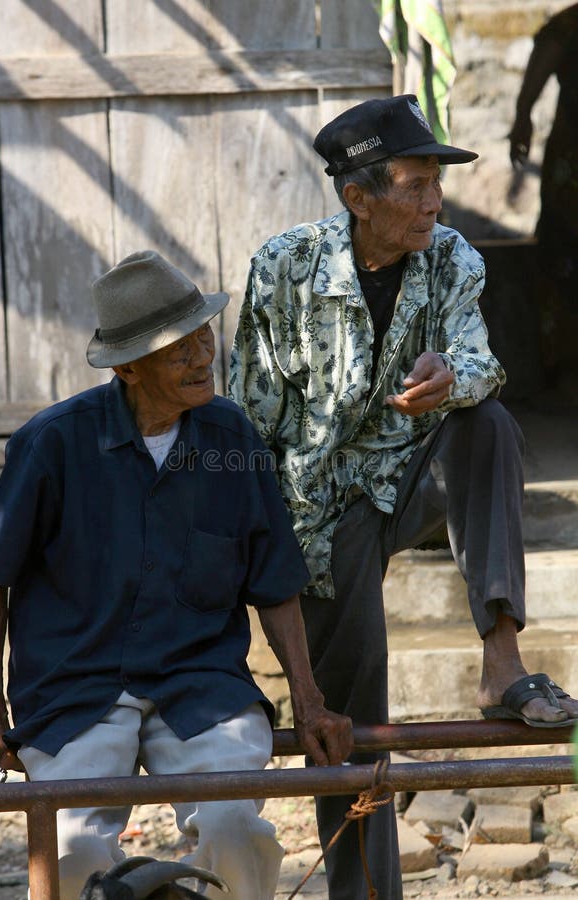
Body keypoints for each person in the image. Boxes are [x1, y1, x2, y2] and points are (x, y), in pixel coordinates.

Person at [229, 94, 578, 900]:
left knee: (487, 424)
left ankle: (502, 659)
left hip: (414, 474)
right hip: (320, 510)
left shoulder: (451, 255)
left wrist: (453, 377)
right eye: (414, 185)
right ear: (358, 197)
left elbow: (484, 362)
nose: (433, 202)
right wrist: (274, 553)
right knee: (352, 723)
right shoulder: (284, 266)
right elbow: (255, 425)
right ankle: (365, 894)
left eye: (436, 184)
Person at [0, 250, 353, 900]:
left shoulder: (230, 437)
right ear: (127, 367)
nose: (203, 357)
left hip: (200, 684)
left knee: (237, 826)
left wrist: (309, 699)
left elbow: (275, 578)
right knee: (73, 848)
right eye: (179, 350)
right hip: (76, 686)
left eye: (204, 336)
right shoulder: (53, 444)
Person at [509, 4, 578, 388]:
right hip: (573, 162)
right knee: (563, 254)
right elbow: (538, 74)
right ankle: (563, 372)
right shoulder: (569, 25)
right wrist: (522, 118)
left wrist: (522, 118)